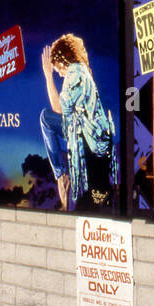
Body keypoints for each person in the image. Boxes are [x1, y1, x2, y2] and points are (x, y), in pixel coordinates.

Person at [40, 33, 118, 210]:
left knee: (45, 118)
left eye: (57, 67)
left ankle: (61, 176)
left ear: (63, 58)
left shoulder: (74, 73)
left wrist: (47, 76)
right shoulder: (80, 71)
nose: (58, 72)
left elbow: (58, 109)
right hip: (87, 133)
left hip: (89, 136)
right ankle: (63, 177)